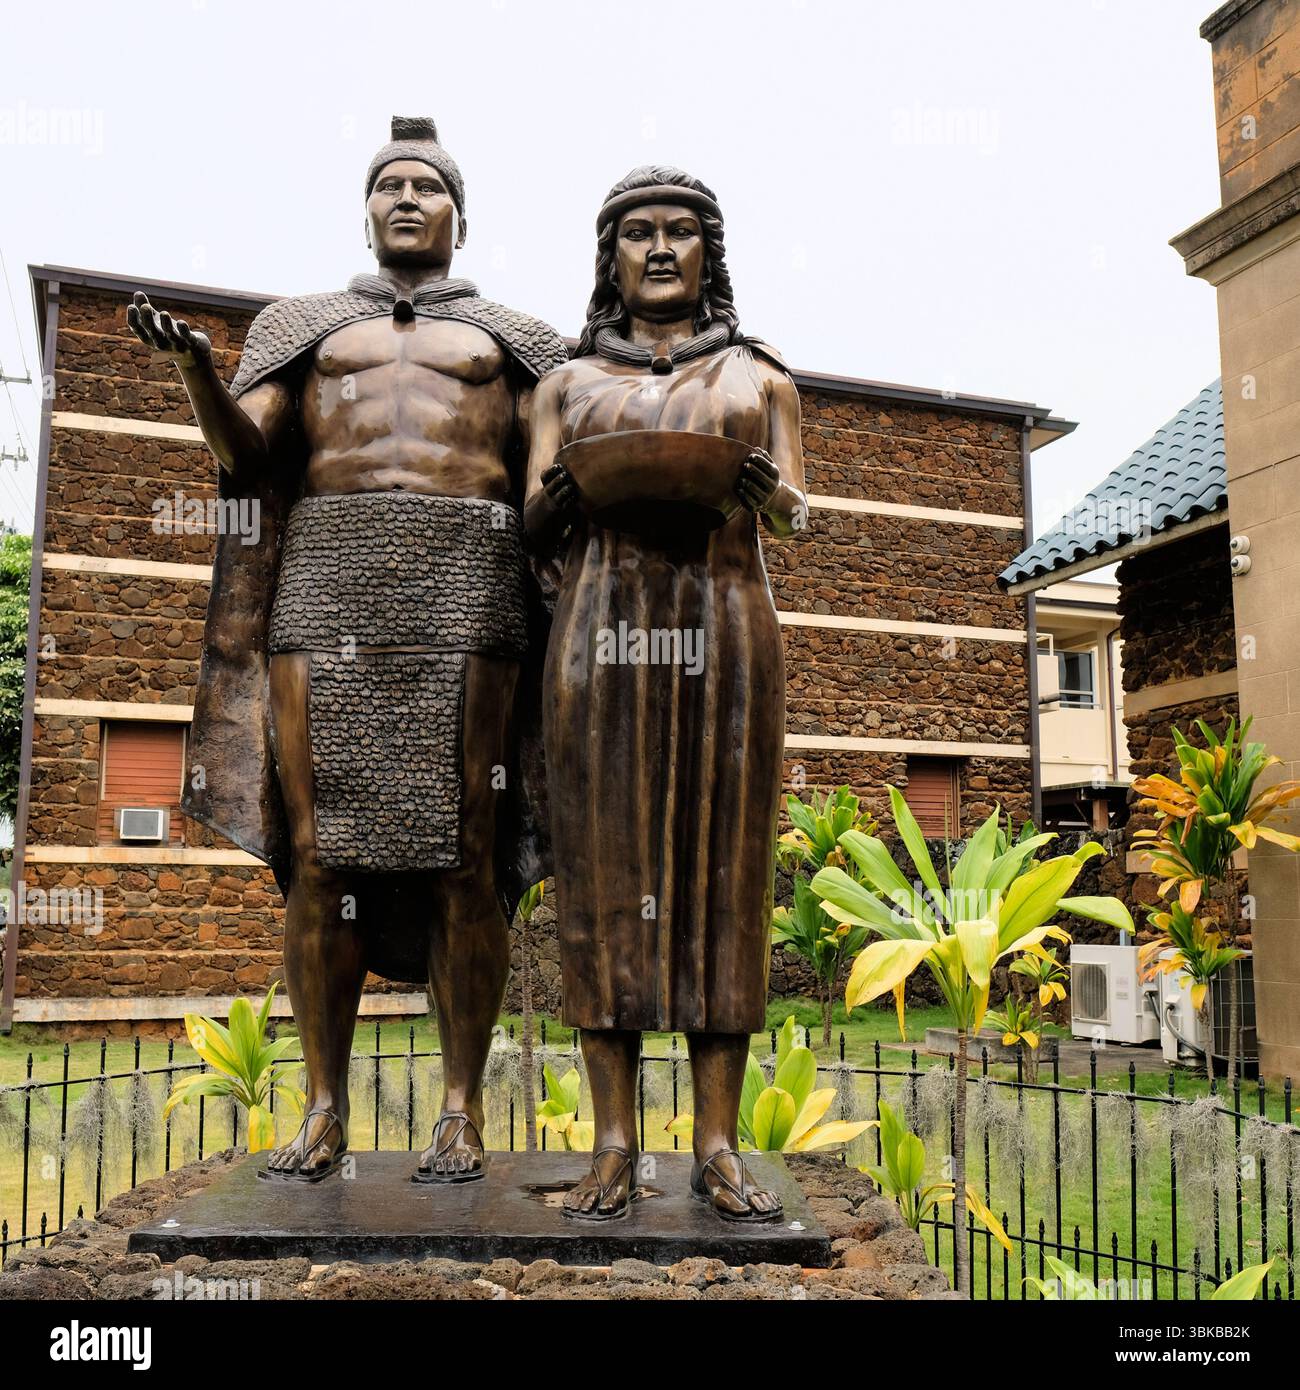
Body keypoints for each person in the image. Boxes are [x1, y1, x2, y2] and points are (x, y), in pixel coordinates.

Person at [128, 117, 565, 1183]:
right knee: (320, 859)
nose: (407, 199)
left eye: (428, 185)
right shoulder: (302, 325)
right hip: (327, 579)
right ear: (365, 209)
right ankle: (323, 1107)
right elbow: (245, 459)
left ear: (462, 212)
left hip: (470, 578)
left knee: (469, 852)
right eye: (389, 185)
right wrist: (196, 375)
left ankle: (458, 1109)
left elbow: (551, 478)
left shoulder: (521, 340)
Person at [524, 165, 807, 1221]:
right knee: (604, 875)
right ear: (611, 255)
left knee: (720, 875)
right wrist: (568, 484)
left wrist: (758, 485)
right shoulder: (561, 384)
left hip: (724, 629)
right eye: (636, 232)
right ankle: (611, 1144)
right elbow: (526, 524)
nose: (656, 249)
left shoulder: (759, 376)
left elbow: (800, 515)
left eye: (677, 232)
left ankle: (720, 1143)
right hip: (598, 635)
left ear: (706, 253)